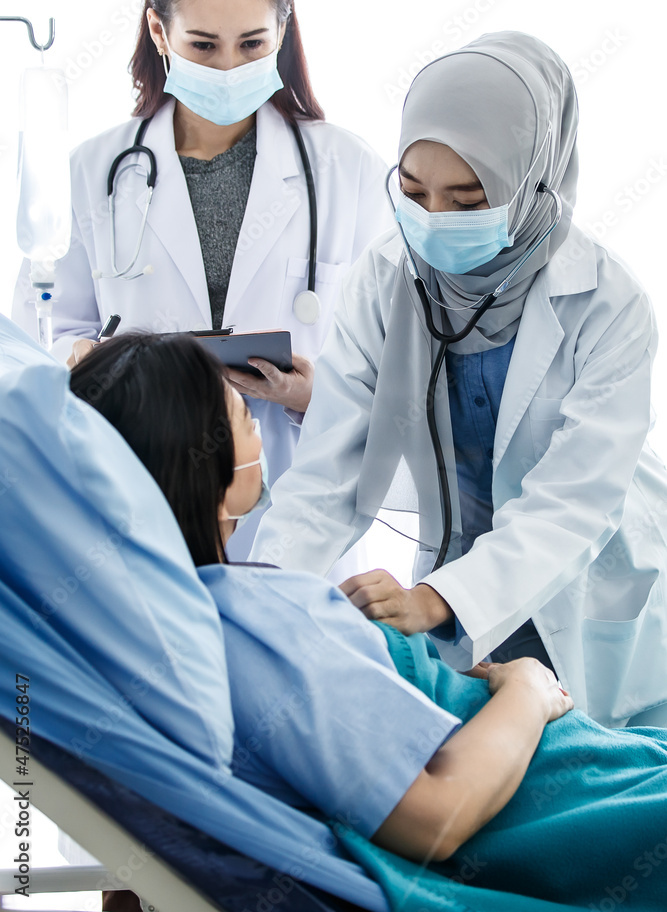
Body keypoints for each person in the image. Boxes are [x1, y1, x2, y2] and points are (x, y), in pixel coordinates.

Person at [69, 330, 667, 912]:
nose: (257, 425)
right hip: (568, 797)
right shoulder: (246, 622)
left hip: (582, 771)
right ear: (205, 475)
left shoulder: (184, 625)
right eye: (243, 416)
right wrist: (529, 689)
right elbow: (438, 816)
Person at [251, 30, 667, 730]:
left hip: (601, 588)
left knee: (618, 787)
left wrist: (436, 601)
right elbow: (329, 474)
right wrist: (262, 597)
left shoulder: (606, 302)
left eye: (468, 200)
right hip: (462, 591)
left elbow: (571, 506)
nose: (432, 223)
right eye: (413, 193)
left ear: (532, 181)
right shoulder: (385, 280)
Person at [11, 0, 393, 567]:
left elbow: (398, 360)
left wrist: (313, 394)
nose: (228, 69)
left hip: (298, 502)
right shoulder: (92, 170)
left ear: (283, 28)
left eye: (251, 44)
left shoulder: (347, 170)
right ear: (159, 32)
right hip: (137, 486)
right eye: (203, 46)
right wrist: (83, 357)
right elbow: (33, 336)